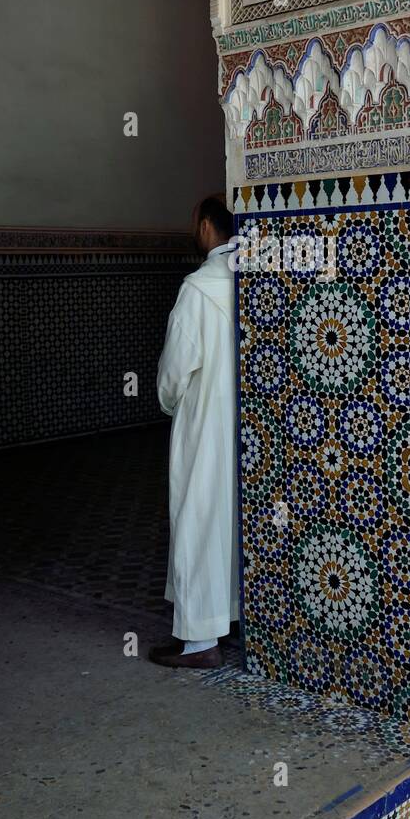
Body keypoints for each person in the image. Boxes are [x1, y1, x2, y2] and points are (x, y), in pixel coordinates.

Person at [149, 195, 239, 668]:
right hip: (245, 428)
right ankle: (233, 616)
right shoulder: (251, 280)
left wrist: (167, 404)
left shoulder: (197, 289)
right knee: (231, 521)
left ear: (206, 226)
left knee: (198, 519)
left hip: (204, 426)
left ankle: (201, 642)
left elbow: (174, 372)